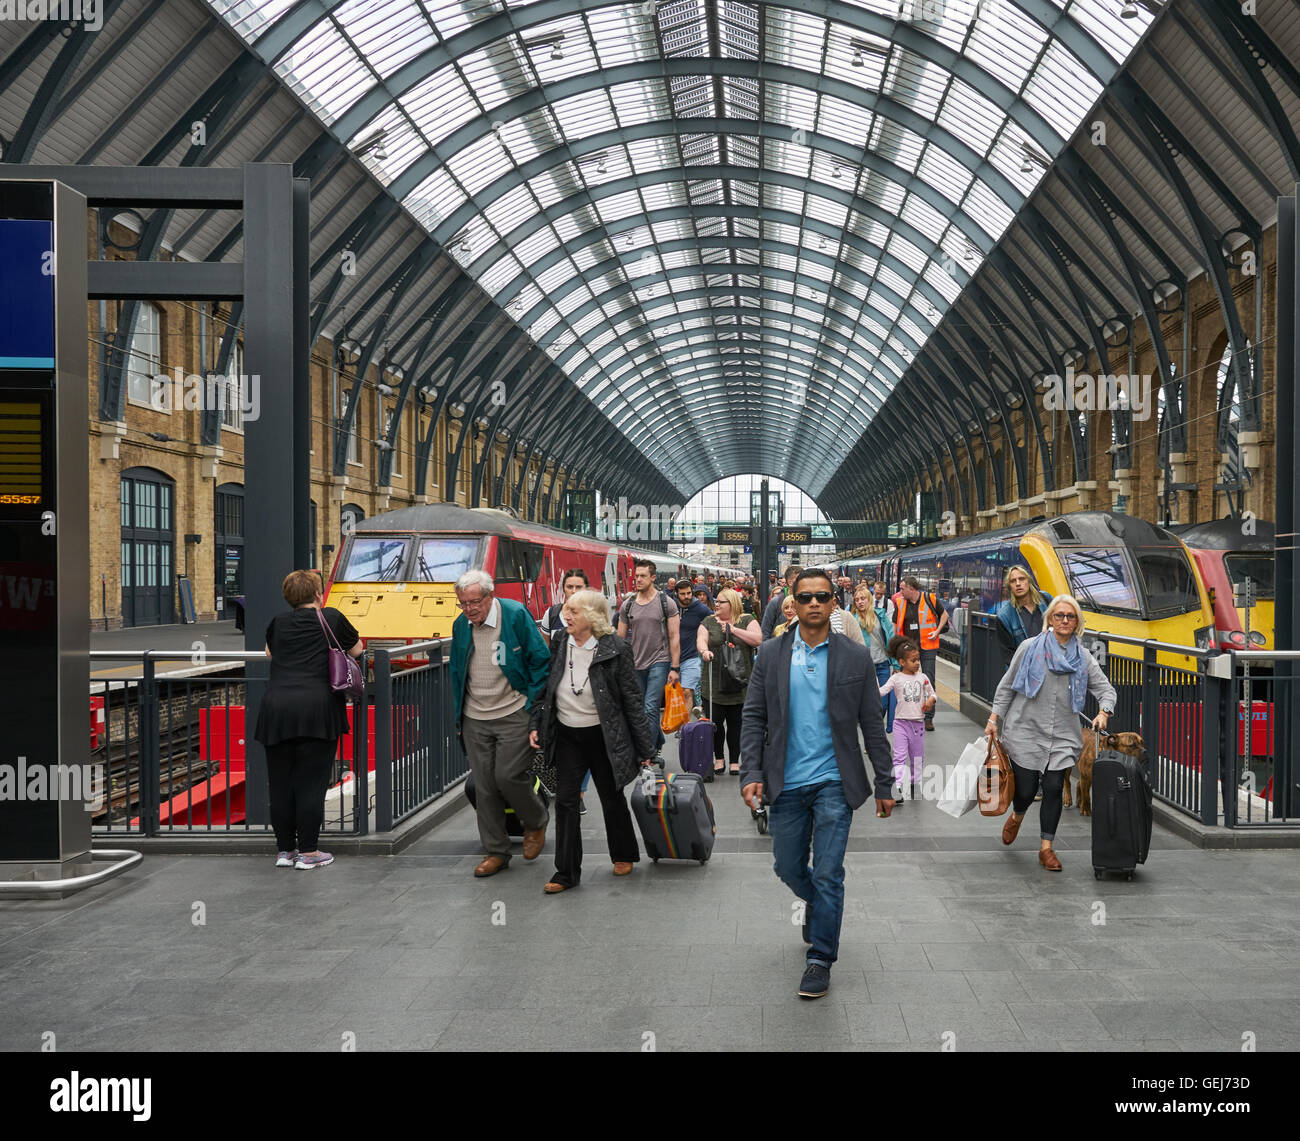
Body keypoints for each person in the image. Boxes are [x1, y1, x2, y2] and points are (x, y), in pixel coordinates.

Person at [739, 570, 895, 999]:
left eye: (821, 596)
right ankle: (818, 906)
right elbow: (754, 717)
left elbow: (872, 724)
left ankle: (820, 958)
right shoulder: (770, 655)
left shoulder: (854, 657)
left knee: (828, 874)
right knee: (787, 867)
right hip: (785, 781)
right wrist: (751, 772)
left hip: (833, 781)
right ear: (793, 601)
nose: (813, 603)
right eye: (805, 596)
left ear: (832, 603)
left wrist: (885, 782)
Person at [529, 590, 654, 893]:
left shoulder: (616, 648)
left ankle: (623, 853)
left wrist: (645, 749)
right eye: (566, 610)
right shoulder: (559, 642)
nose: (566, 616)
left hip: (604, 735)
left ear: (593, 617)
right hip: (567, 735)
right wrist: (536, 723)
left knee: (611, 797)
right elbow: (546, 688)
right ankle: (566, 872)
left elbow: (631, 701)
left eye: (574, 611)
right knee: (567, 802)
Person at [986, 594, 1116, 872]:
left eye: (1070, 616)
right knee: (1026, 788)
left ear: (1077, 621)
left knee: (1055, 787)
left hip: (1062, 735)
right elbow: (1007, 685)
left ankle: (1047, 848)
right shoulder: (1029, 647)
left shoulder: (1082, 657)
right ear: (1050, 619)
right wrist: (994, 718)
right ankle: (1018, 816)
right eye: (1059, 616)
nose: (1065, 621)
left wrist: (1104, 711)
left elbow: (1106, 690)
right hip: (1025, 730)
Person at [254, 569, 364, 870]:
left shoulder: (278, 622)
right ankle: (309, 851)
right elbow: (357, 649)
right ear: (318, 595)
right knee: (310, 783)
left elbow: (270, 653)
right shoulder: (331, 617)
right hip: (317, 710)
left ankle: (284, 851)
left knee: (280, 783)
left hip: (276, 710)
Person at [451, 569, 551, 877]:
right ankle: (496, 851)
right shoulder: (461, 626)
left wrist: (535, 705)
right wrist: (459, 716)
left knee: (508, 775)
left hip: (514, 711)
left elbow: (540, 660)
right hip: (475, 716)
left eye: (475, 602)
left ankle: (535, 821)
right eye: (463, 603)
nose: (470, 610)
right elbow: (458, 670)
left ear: (490, 596)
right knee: (484, 786)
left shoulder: (514, 615)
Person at [616, 559, 681, 761]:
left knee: (650, 707)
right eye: (636, 576)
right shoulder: (628, 605)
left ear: (653, 577)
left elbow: (674, 636)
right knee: (639, 709)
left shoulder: (666, 603)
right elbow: (619, 637)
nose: (638, 580)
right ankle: (657, 740)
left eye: (643, 576)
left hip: (659, 661)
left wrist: (675, 667)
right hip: (635, 663)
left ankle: (648, 754)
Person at [698, 587, 761, 775]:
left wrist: (733, 630)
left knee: (737, 724)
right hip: (714, 683)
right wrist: (704, 651)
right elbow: (701, 639)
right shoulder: (708, 621)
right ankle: (719, 759)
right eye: (716, 601)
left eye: (720, 602)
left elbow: (758, 640)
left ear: (732, 604)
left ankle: (735, 760)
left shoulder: (747, 620)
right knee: (715, 724)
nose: (716, 604)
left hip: (740, 682)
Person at [878, 637, 936, 803]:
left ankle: (914, 782)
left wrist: (931, 700)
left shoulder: (923, 677)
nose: (917, 663)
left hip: (918, 725)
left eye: (918, 659)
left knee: (917, 757)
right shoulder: (896, 679)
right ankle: (897, 787)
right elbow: (882, 691)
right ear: (902, 662)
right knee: (899, 756)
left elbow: (932, 693)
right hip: (901, 724)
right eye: (913, 660)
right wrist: (870, 685)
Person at [892, 577, 948, 731]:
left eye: (903, 589)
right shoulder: (901, 603)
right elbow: (895, 624)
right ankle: (912, 714)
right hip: (909, 648)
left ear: (912, 588)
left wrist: (937, 631)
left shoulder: (930, 599)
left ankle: (928, 718)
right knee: (909, 682)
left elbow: (945, 615)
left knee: (928, 679)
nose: (900, 592)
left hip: (928, 646)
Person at [852, 582, 897, 732]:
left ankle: (874, 730)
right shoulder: (852, 618)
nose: (860, 602)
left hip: (882, 665)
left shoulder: (881, 615)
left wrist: (896, 665)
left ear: (869, 599)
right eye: (857, 600)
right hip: (863, 669)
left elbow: (890, 638)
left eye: (863, 598)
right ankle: (872, 733)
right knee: (865, 704)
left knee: (882, 703)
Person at [995, 566, 1049, 672]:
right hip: (1025, 671)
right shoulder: (1004, 616)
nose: (1018, 583)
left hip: (1051, 665)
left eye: (1022, 579)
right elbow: (1008, 654)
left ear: (1029, 581)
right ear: (1009, 586)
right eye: (1013, 581)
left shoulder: (1046, 599)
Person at [674, 577, 712, 711]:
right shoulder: (671, 607)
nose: (686, 597)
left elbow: (713, 621)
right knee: (673, 694)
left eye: (689, 593)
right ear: (676, 594)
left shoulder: (700, 609)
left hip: (691, 656)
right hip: (671, 657)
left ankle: (684, 728)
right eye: (683, 594)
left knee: (687, 692)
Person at [541, 568, 589, 637]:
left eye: (578, 587)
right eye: (570, 587)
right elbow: (546, 646)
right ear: (563, 589)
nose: (574, 591)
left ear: (586, 589)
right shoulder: (551, 614)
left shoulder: (595, 614)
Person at [761, 564, 803, 638]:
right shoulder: (776, 601)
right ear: (790, 582)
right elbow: (765, 630)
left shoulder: (806, 601)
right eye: (800, 580)